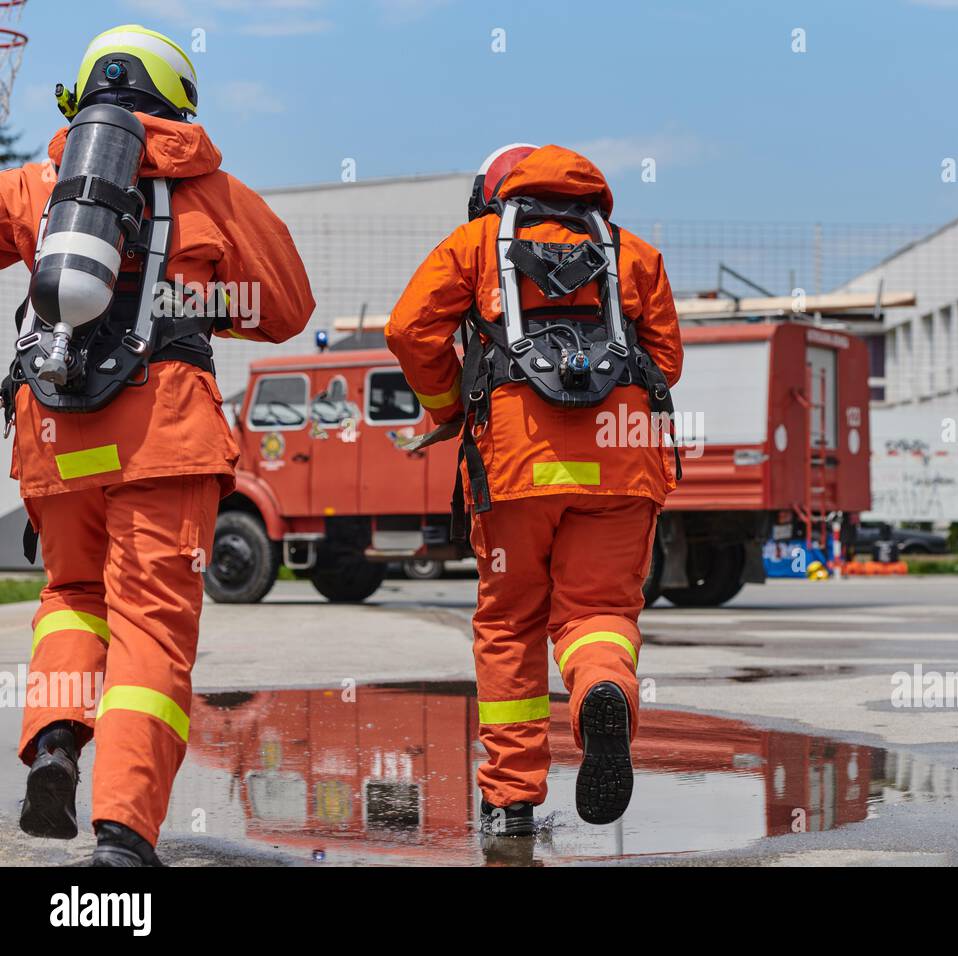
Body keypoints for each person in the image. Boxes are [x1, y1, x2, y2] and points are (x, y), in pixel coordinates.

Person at [1, 24, 315, 865]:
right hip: (163, 439)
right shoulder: (213, 190)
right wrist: (199, 298)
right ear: (177, 99)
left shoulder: (40, 183)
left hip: (57, 438)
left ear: (81, 95)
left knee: (71, 595)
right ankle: (123, 835)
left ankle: (58, 741)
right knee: (149, 632)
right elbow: (288, 308)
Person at [386, 143, 682, 835]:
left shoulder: (476, 244)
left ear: (493, 192)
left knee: (510, 625)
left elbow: (408, 329)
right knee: (601, 612)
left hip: (517, 464)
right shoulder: (633, 253)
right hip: (622, 463)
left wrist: (449, 404)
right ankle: (600, 692)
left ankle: (511, 798)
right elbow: (664, 362)